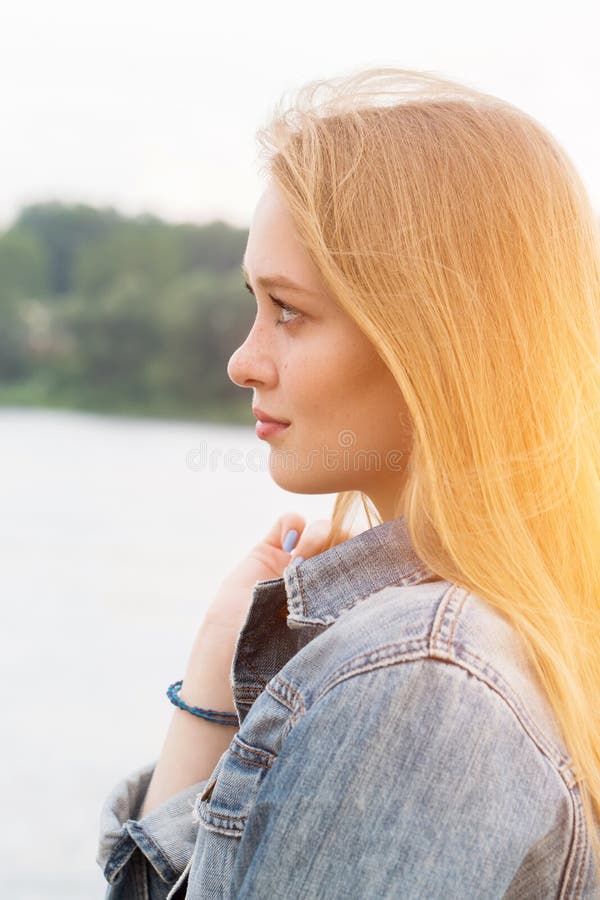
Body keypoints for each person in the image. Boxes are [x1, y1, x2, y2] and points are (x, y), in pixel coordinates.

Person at [97, 67, 600, 898]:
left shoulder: (423, 683)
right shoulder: (493, 642)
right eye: (253, 304)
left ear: (431, 338)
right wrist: (216, 677)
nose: (242, 360)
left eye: (287, 310)